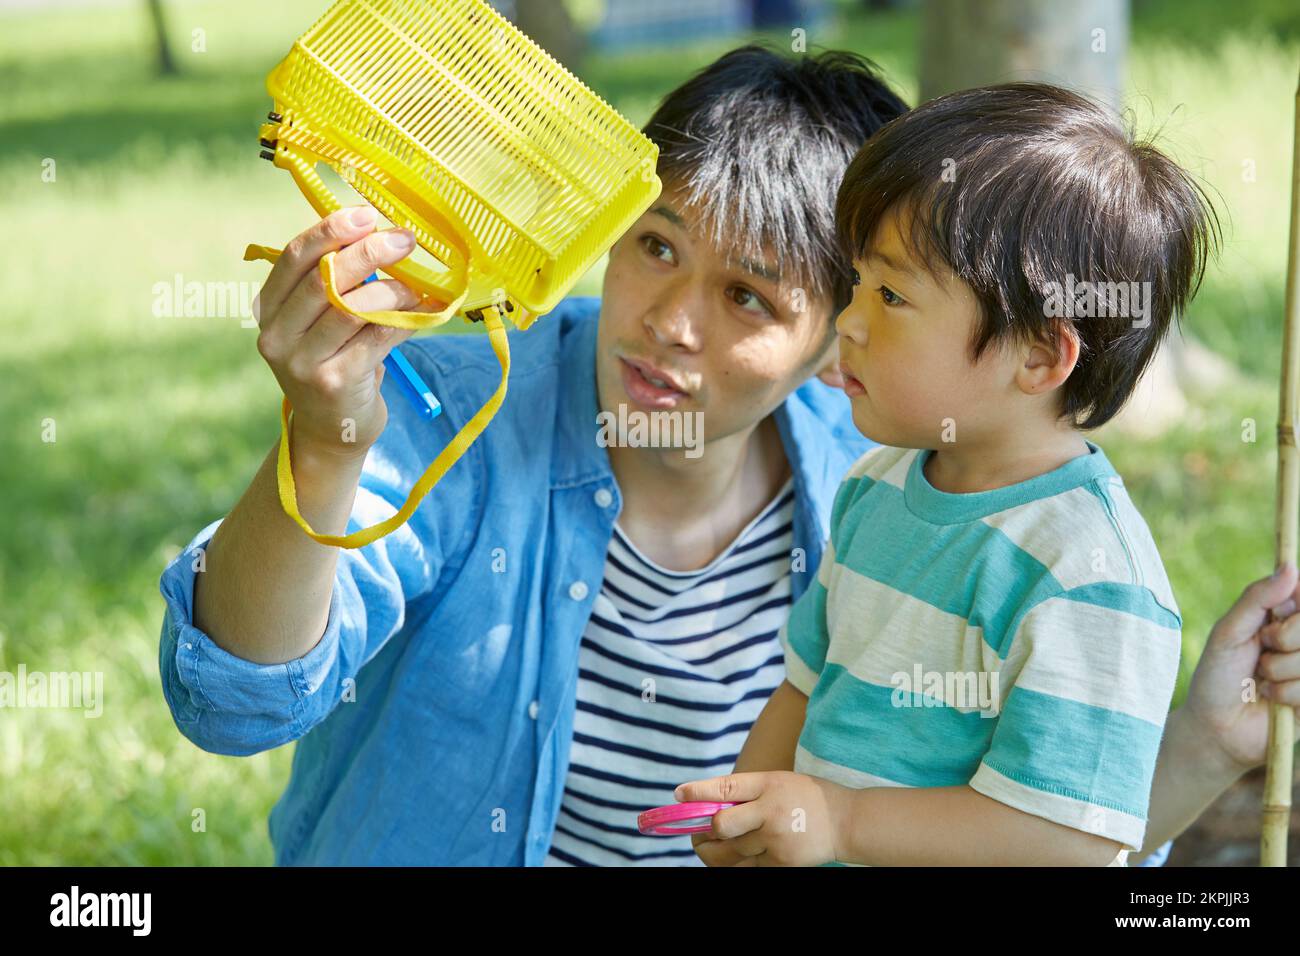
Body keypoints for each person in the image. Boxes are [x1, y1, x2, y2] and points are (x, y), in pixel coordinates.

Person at [157, 47, 1300, 866]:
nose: (669, 319)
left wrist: (1197, 749)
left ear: (834, 340)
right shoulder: (451, 404)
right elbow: (235, 702)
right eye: (654, 245)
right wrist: (323, 438)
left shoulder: (904, 479)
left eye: (749, 294)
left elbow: (1040, 828)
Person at [677, 83, 1215, 865]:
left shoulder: (1089, 578)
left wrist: (843, 822)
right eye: (857, 283)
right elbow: (805, 686)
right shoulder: (878, 486)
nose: (850, 321)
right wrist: (745, 813)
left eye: (893, 294)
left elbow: (1067, 839)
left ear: (1038, 355)